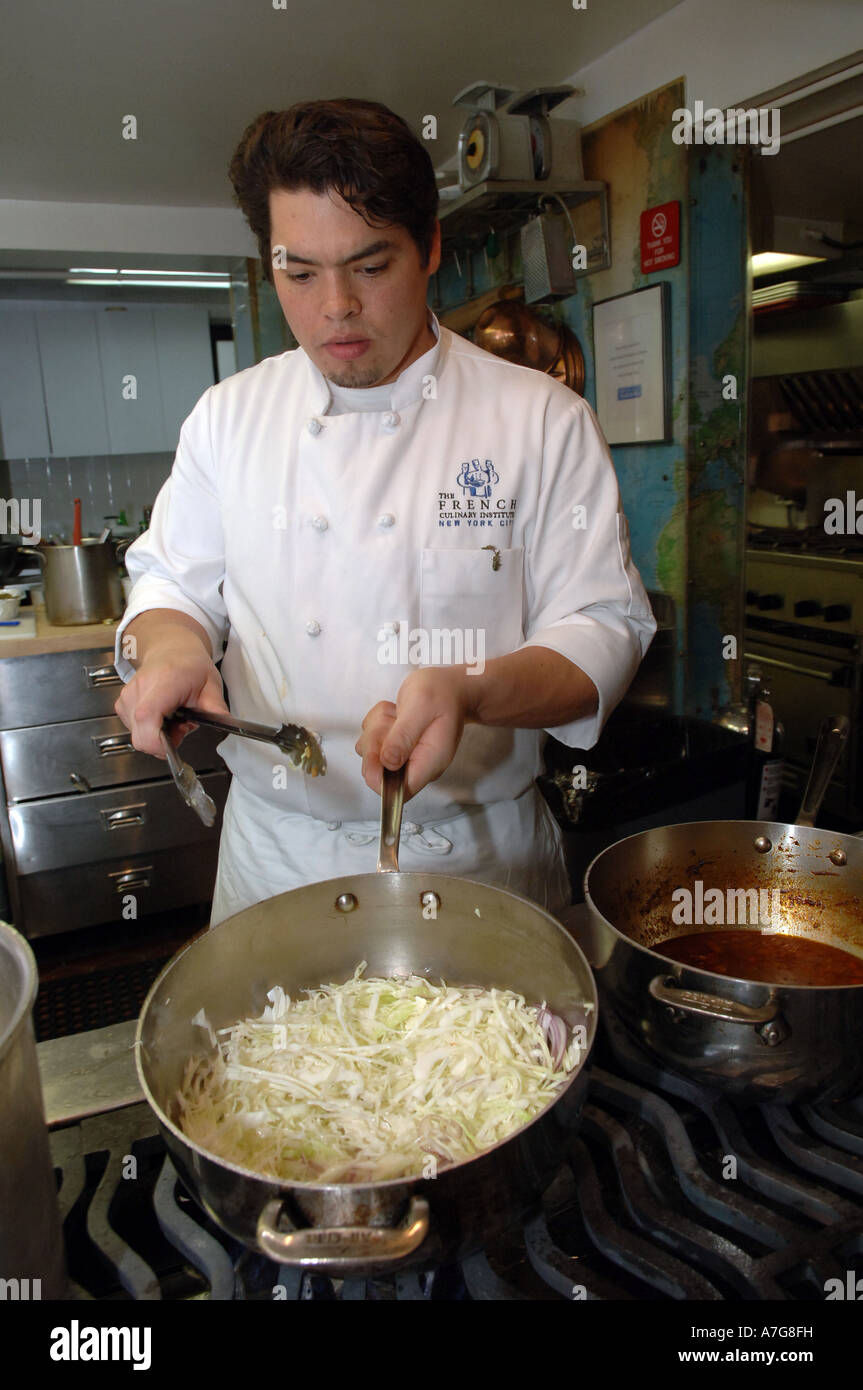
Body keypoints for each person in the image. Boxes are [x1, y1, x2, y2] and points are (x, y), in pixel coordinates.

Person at [114, 98, 656, 925]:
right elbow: (172, 586)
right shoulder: (227, 417)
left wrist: (470, 690)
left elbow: (602, 630)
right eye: (299, 273)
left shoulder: (539, 417)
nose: (335, 306)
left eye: (369, 267)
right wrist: (174, 648)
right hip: (277, 861)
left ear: (431, 247)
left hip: (475, 858)